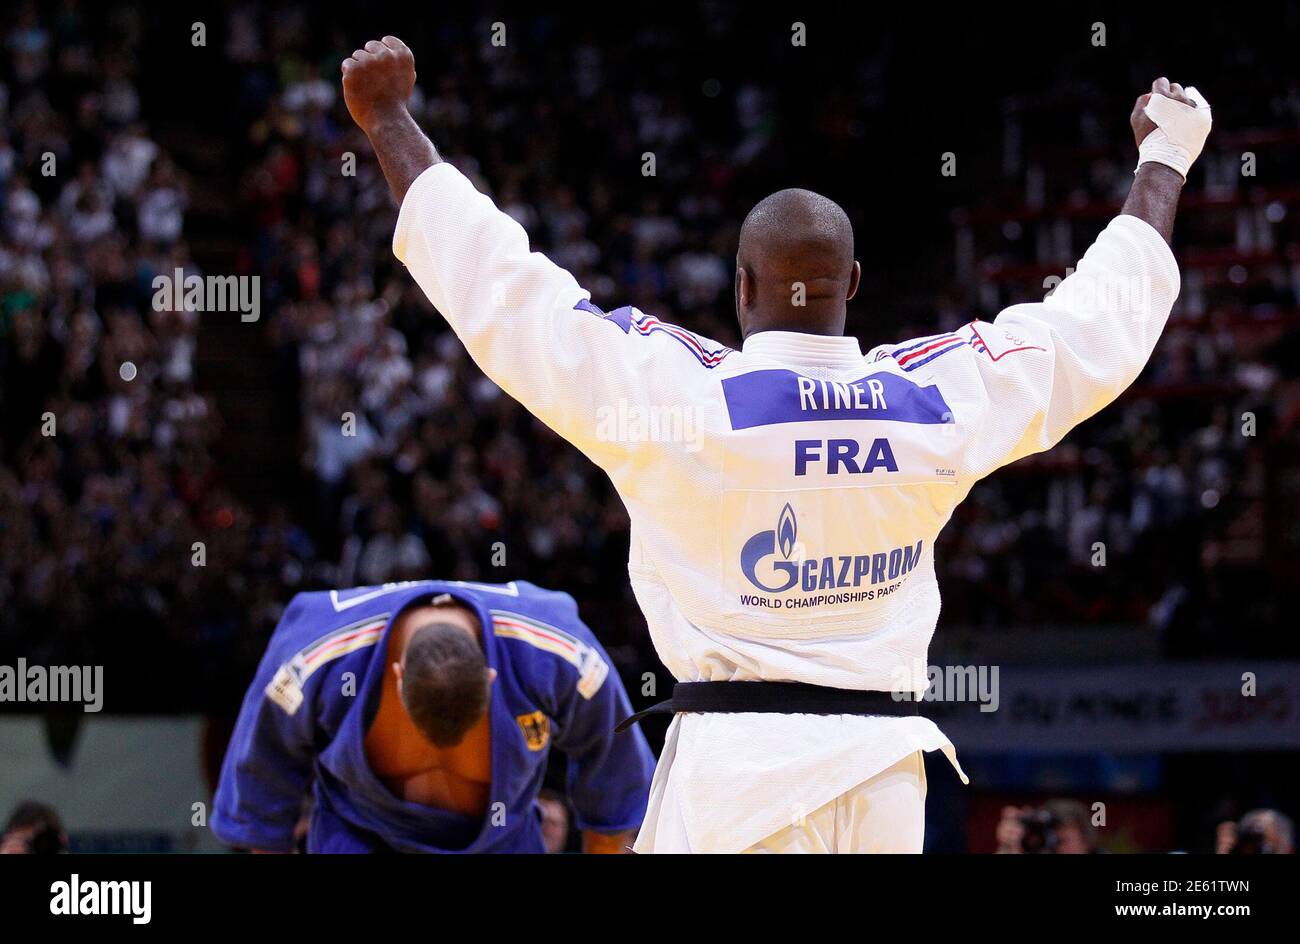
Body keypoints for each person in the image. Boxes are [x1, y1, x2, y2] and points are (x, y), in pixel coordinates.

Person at [341, 35, 1210, 852]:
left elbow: (505, 292)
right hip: (880, 785)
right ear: (855, 285)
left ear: (741, 284)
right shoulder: (933, 398)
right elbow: (1096, 329)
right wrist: (1163, 160)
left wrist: (389, 122)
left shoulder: (672, 397)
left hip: (734, 782)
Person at [212, 579, 654, 853]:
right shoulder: (311, 659)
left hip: (503, 843)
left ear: (490, 675)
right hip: (358, 840)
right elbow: (261, 797)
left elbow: (616, 792)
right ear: (397, 674)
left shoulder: (560, 654)